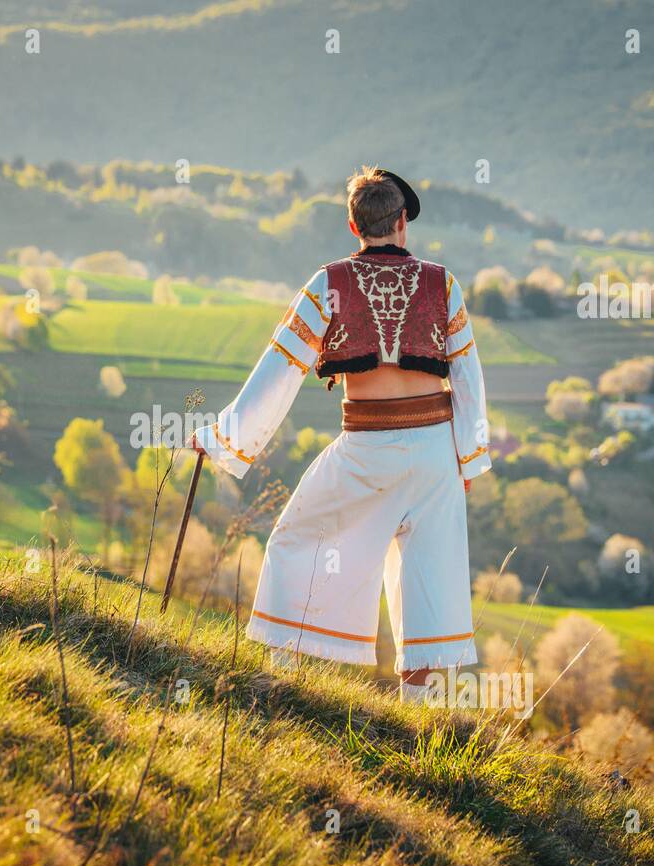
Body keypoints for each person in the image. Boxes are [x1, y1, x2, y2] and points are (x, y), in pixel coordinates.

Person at [189, 166, 491, 696]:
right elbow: (468, 377)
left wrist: (223, 438)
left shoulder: (328, 282)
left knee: (294, 541)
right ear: (401, 222)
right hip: (436, 452)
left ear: (354, 227)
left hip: (366, 450)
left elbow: (281, 367)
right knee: (427, 577)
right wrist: (467, 460)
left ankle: (283, 686)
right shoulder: (443, 283)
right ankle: (420, 717)